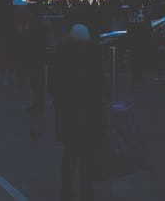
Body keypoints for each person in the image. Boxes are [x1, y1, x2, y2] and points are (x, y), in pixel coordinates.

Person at [50, 23, 109, 201]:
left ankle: (68, 192)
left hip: (70, 114)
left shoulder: (61, 57)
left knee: (71, 155)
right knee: (85, 157)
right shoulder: (92, 57)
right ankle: (85, 192)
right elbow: (102, 86)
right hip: (88, 113)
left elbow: (55, 87)